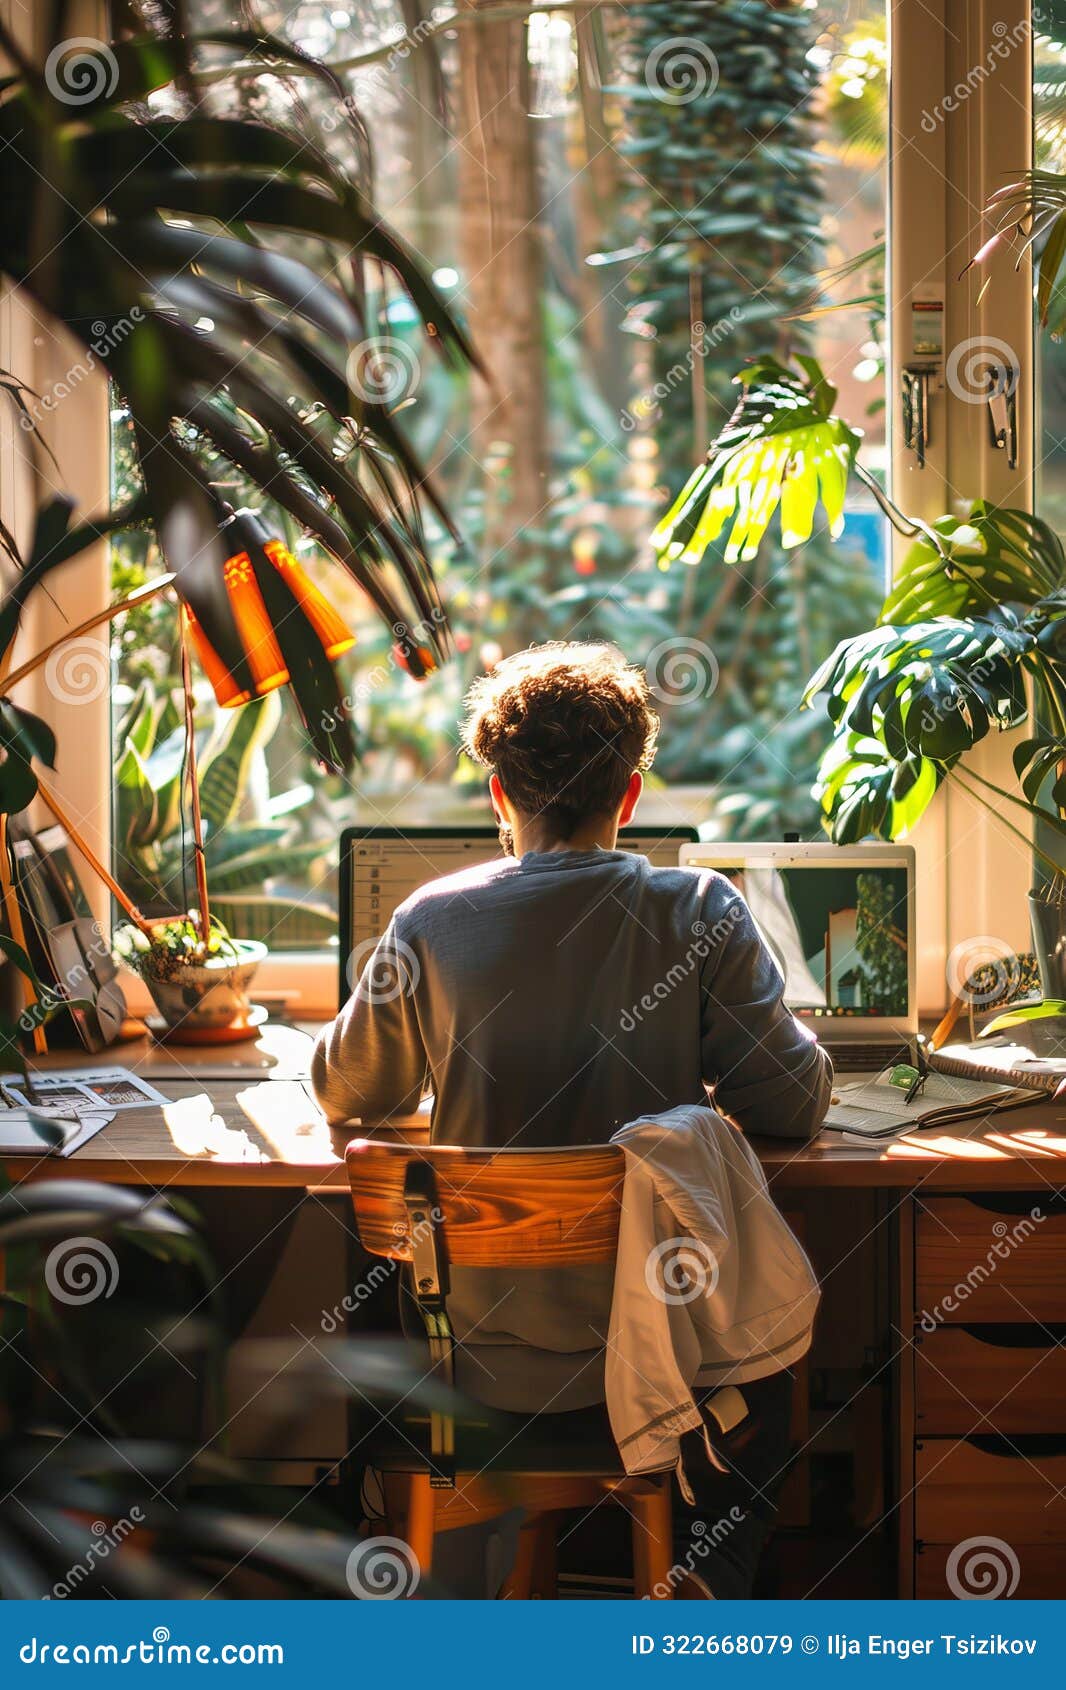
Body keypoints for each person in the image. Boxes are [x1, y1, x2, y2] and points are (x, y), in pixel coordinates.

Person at [312, 640, 832, 1595]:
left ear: (499, 793)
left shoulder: (430, 919)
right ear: (629, 796)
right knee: (783, 1351)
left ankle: (451, 1582)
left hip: (480, 1364)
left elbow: (349, 1098)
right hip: (671, 1349)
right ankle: (701, 1597)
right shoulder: (700, 910)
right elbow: (790, 1103)